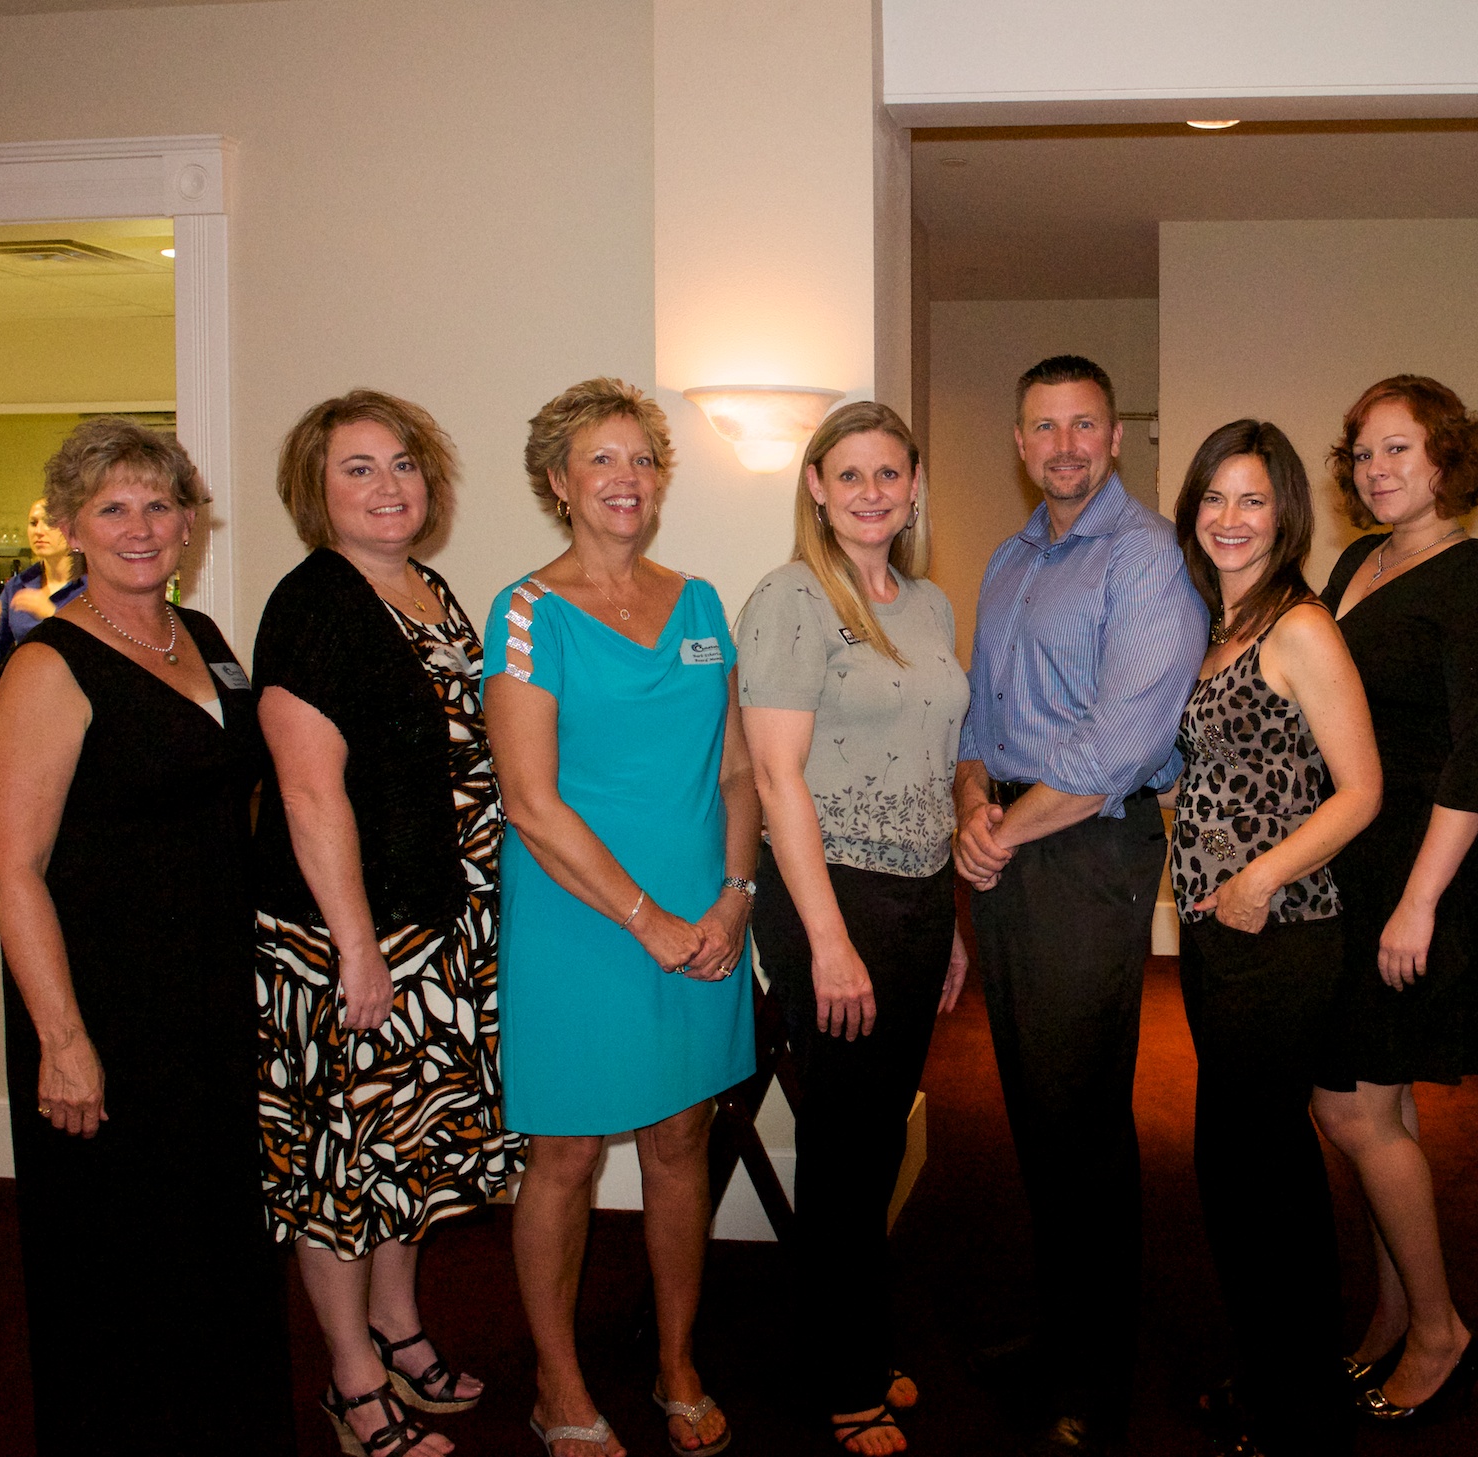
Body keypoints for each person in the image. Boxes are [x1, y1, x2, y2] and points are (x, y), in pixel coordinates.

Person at [0, 418, 294, 1454]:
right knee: (118, 1247)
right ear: (72, 527)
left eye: (160, 503)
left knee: (211, 1230)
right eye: (112, 507)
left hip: (206, 987)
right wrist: (63, 1039)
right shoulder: (49, 664)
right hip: (102, 998)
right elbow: (12, 865)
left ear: (190, 521)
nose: (141, 525)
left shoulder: (203, 637)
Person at [484, 377, 760, 1457]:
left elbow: (736, 770)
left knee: (682, 1137)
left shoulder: (700, 603)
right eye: (600, 458)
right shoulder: (526, 611)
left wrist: (734, 896)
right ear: (558, 481)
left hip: (703, 919)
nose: (626, 477)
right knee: (564, 1153)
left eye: (642, 457)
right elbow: (530, 802)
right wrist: (647, 921)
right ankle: (558, 1382)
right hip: (582, 923)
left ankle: (676, 1359)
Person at [952, 354, 1207, 1457]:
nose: (1064, 445)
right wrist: (971, 803)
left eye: (1084, 424)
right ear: (1020, 443)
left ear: (1114, 437)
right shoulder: (1009, 559)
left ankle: (1099, 1375)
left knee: (1085, 1114)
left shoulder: (1147, 556)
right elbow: (978, 714)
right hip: (1008, 842)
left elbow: (1122, 744)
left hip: (1087, 849)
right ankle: (1060, 1328)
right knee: (1033, 1103)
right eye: (1044, 427)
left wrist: (1001, 828)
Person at [254, 390, 517, 1457]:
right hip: (347, 938)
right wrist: (358, 949)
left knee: (412, 1150)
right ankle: (352, 1379)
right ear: (315, 491)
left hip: (439, 924)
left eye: (402, 463)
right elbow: (310, 793)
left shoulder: (426, 590)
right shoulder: (314, 604)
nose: (388, 485)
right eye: (357, 468)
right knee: (344, 1163)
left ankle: (399, 1327)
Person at [736, 400, 973, 1456]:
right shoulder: (790, 598)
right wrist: (828, 940)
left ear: (914, 486)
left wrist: (947, 915)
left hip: (917, 896)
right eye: (850, 474)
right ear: (817, 488)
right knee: (840, 1144)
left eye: (890, 473)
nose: (872, 492)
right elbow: (776, 777)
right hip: (827, 893)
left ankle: (857, 1341)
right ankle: (840, 1378)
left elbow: (931, 766)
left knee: (877, 1142)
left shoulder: (928, 604)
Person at [1312, 374, 1478, 1424]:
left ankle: (1442, 1333)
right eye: (1363, 452)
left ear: (1447, 457)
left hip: (1429, 862)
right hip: (1359, 855)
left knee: (1349, 1104)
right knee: (1379, 1101)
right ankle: (1395, 1312)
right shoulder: (1357, 561)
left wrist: (1421, 903)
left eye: (1399, 448)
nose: (1377, 469)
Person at [1169, 419, 1382, 1457]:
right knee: (1234, 1164)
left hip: (1282, 932)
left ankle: (1305, 1407)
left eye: (1252, 499)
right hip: (1217, 932)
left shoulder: (1300, 627)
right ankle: (1272, 1371)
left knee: (1266, 1170)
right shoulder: (1216, 626)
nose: (1230, 517)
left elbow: (1362, 790)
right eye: (1214, 497)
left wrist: (1258, 877)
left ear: (1285, 513)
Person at [0, 495, 86, 674]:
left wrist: (51, 616)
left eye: (50, 522)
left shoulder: (94, 587)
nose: (39, 531)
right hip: (27, 685)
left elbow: (104, 657)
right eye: (33, 523)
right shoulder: (17, 585)